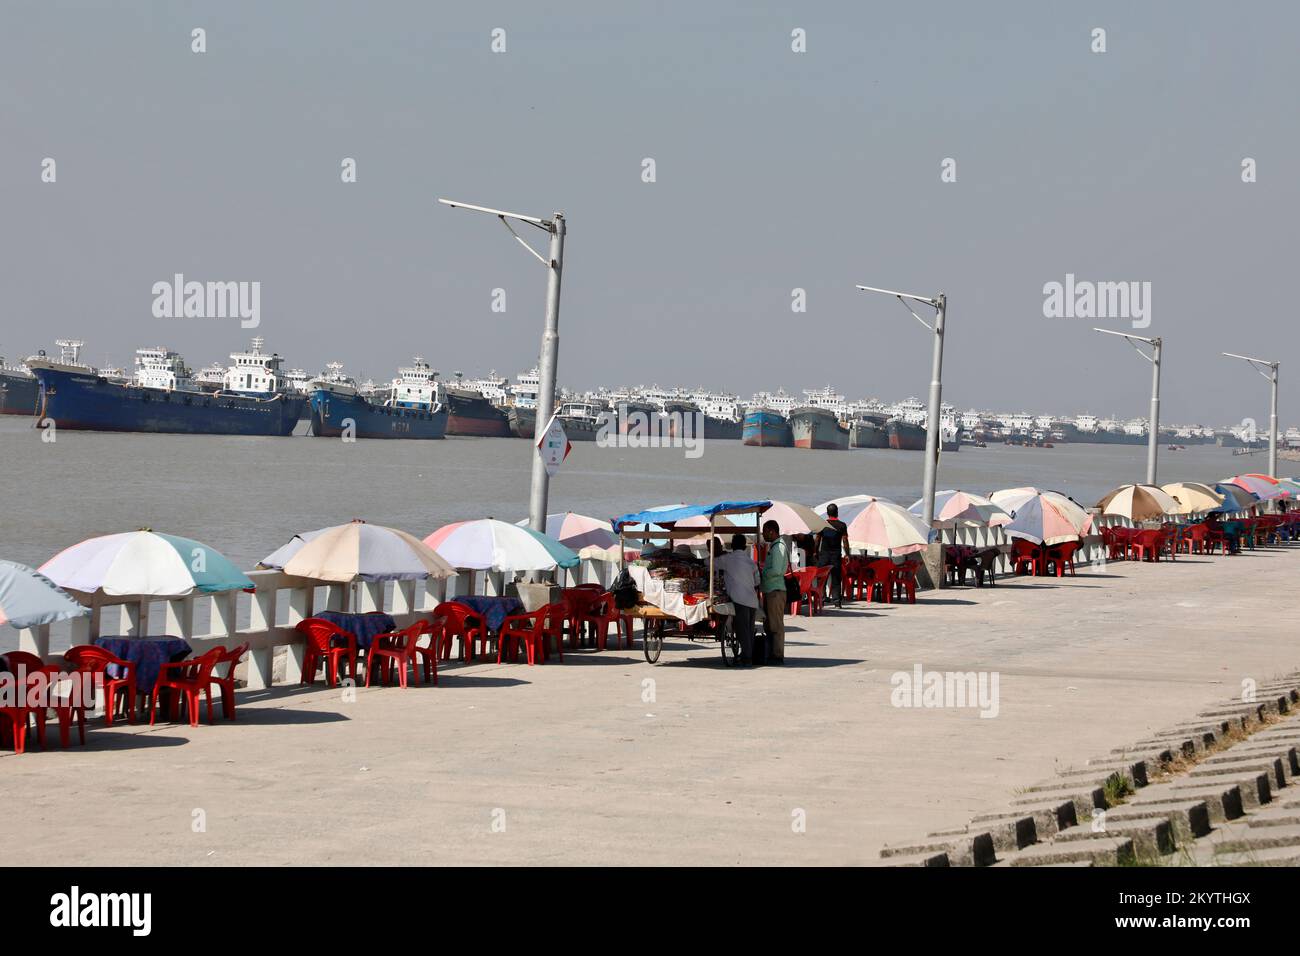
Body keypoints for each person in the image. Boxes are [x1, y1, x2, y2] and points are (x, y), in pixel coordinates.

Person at [716, 533, 760, 665]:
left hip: (740, 600)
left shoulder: (728, 559)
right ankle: (747, 654)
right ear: (744, 546)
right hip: (752, 599)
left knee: (742, 630)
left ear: (733, 546)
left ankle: (747, 657)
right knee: (749, 629)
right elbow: (757, 581)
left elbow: (710, 563)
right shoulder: (751, 562)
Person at [760, 519, 789, 664]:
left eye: (764, 531)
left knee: (776, 625)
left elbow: (777, 570)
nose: (763, 534)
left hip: (775, 590)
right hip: (771, 589)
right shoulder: (775, 546)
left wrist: (763, 573)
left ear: (771, 531)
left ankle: (777, 655)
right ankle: (772, 652)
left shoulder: (779, 548)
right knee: (770, 624)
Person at [817, 504, 850, 608]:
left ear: (827, 513)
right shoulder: (842, 525)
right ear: (837, 512)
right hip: (835, 556)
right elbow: (845, 540)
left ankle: (821, 599)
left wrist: (814, 552)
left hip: (824, 555)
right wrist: (847, 554)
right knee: (836, 579)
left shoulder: (822, 524)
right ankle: (837, 602)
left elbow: (817, 539)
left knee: (822, 578)